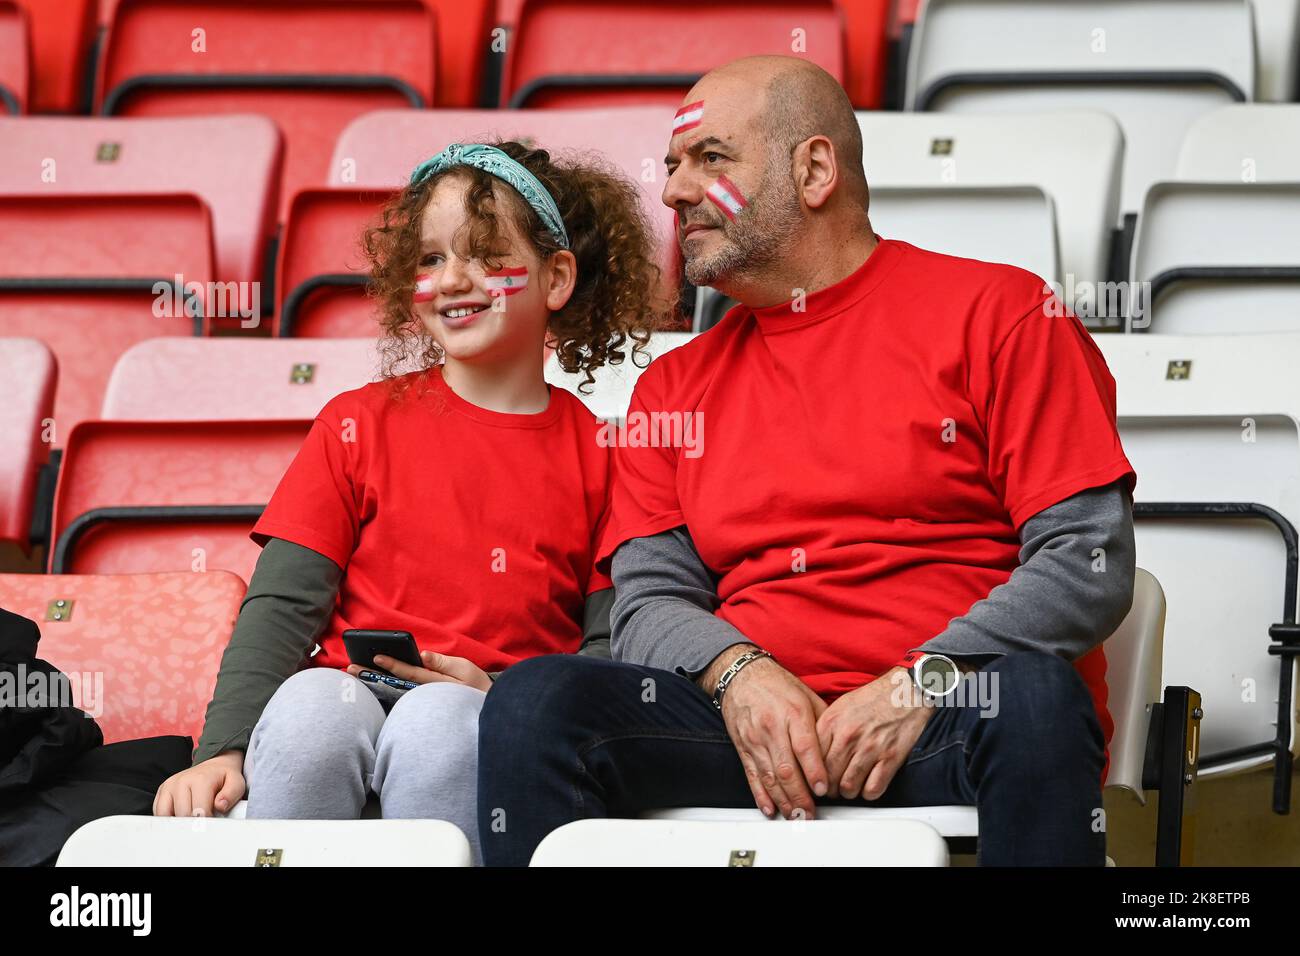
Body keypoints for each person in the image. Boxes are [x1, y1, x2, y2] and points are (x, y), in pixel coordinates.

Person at [476, 56, 1137, 866]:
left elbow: (1087, 560)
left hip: (945, 723)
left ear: (814, 169)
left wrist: (918, 683)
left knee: (1034, 694)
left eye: (710, 159)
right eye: (674, 167)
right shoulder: (673, 385)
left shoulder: (1002, 315)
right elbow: (645, 603)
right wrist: (737, 673)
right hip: (745, 738)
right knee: (534, 701)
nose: (675, 192)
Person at [153, 141, 661, 865]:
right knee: (306, 716)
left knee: (439, 723)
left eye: (486, 255)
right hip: (343, 690)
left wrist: (505, 691)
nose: (453, 279)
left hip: (490, 711)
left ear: (555, 278)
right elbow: (281, 607)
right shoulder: (357, 422)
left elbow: (608, 647)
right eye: (429, 259)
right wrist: (223, 749)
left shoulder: (604, 456)